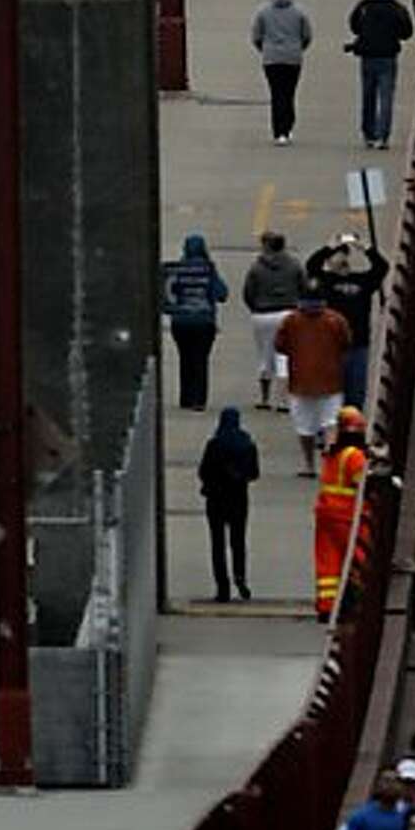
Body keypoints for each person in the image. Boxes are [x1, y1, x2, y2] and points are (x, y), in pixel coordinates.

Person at [305, 228, 391, 410]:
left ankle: (352, 431)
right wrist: (329, 247)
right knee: (330, 392)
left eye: (344, 255)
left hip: (358, 344)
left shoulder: (363, 281)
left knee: (355, 395)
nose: (341, 259)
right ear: (329, 261)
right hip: (331, 345)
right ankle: (328, 430)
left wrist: (365, 247)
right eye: (336, 255)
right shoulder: (326, 281)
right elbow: (312, 265)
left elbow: (382, 267)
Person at [274, 285, 352, 474]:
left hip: (300, 382)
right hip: (331, 380)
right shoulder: (335, 320)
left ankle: (309, 465)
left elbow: (280, 346)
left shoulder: (291, 321)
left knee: (305, 428)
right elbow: (346, 343)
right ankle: (331, 465)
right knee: (331, 424)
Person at [312, 403, 370, 620]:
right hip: (347, 516)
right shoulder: (354, 456)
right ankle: (359, 601)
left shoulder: (333, 454)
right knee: (358, 558)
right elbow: (364, 483)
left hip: (325, 513)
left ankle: (327, 605)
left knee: (328, 561)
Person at [345, 0, 414, 148]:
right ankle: (383, 136)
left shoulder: (365, 5)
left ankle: (369, 132)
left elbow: (353, 25)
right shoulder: (396, 8)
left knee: (368, 96)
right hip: (388, 57)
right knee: (386, 97)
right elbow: (407, 32)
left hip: (367, 56)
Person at [198, 404, 258, 602]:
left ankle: (222, 587)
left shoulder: (214, 444)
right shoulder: (247, 444)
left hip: (216, 499)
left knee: (218, 543)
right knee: (238, 541)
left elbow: (203, 471)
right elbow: (254, 473)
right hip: (239, 499)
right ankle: (240, 579)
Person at [162, 231, 228, 410]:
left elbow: (167, 294)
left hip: (181, 322)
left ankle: (186, 397)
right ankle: (199, 399)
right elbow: (222, 294)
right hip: (204, 322)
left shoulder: (177, 270)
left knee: (185, 359)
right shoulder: (207, 270)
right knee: (200, 360)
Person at [242, 228, 305, 410]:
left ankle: (264, 398)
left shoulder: (257, 267)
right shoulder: (294, 265)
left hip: (262, 314)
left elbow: (248, 292)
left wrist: (255, 307)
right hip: (288, 313)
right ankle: (284, 401)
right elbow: (304, 286)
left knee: (264, 355)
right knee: (285, 356)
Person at [250, 0, 312, 142]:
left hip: (271, 59)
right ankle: (289, 126)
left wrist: (264, 49)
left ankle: (279, 132)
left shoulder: (263, 12)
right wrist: (298, 48)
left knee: (276, 94)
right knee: (289, 93)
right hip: (293, 58)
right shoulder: (299, 12)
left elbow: (256, 35)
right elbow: (307, 36)